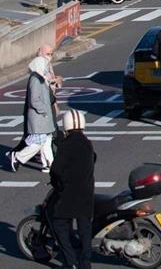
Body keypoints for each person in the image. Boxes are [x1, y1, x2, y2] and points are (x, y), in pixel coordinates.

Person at [49, 109, 95, 269]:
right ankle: (86, 263)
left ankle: (70, 262)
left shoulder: (65, 145)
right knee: (84, 230)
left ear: (66, 126)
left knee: (59, 224)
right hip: (87, 194)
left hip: (69, 194)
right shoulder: (87, 143)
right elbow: (93, 159)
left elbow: (55, 169)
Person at [10, 46, 58, 172]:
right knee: (39, 141)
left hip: (42, 116)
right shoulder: (36, 79)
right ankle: (18, 157)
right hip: (39, 117)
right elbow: (34, 100)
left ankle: (49, 164)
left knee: (47, 140)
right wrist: (44, 111)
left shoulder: (41, 78)